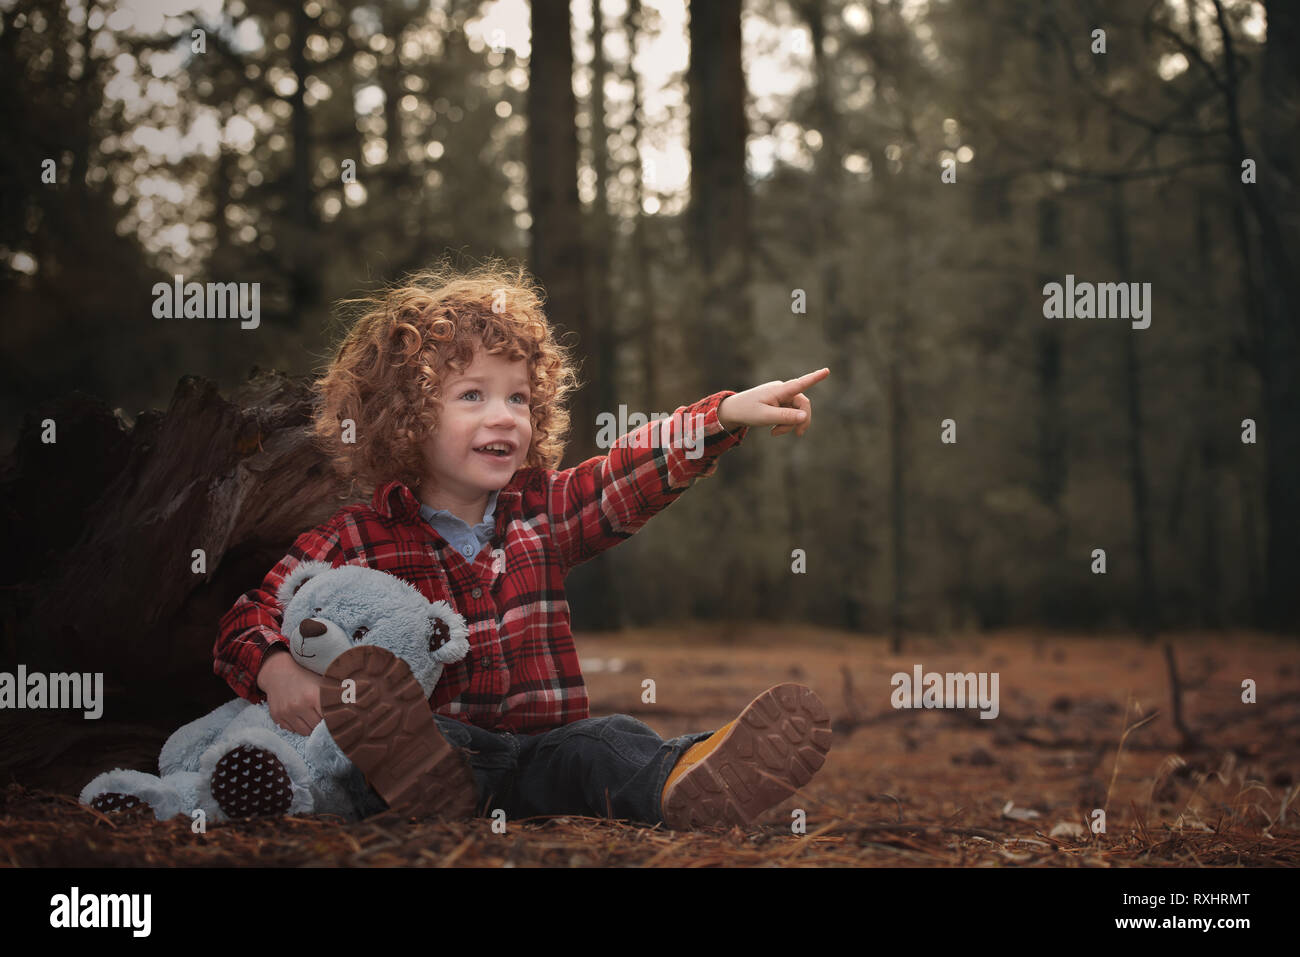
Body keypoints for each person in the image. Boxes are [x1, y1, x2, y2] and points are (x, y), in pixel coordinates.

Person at [214, 258, 833, 829]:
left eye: (519, 398)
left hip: (547, 757)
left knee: (608, 740)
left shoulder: (544, 510)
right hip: (445, 752)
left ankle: (681, 783)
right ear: (404, 417)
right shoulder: (355, 537)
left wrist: (722, 418)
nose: (506, 415)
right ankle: (430, 794)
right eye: (472, 395)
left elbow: (627, 475)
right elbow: (250, 614)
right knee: (395, 742)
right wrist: (275, 669)